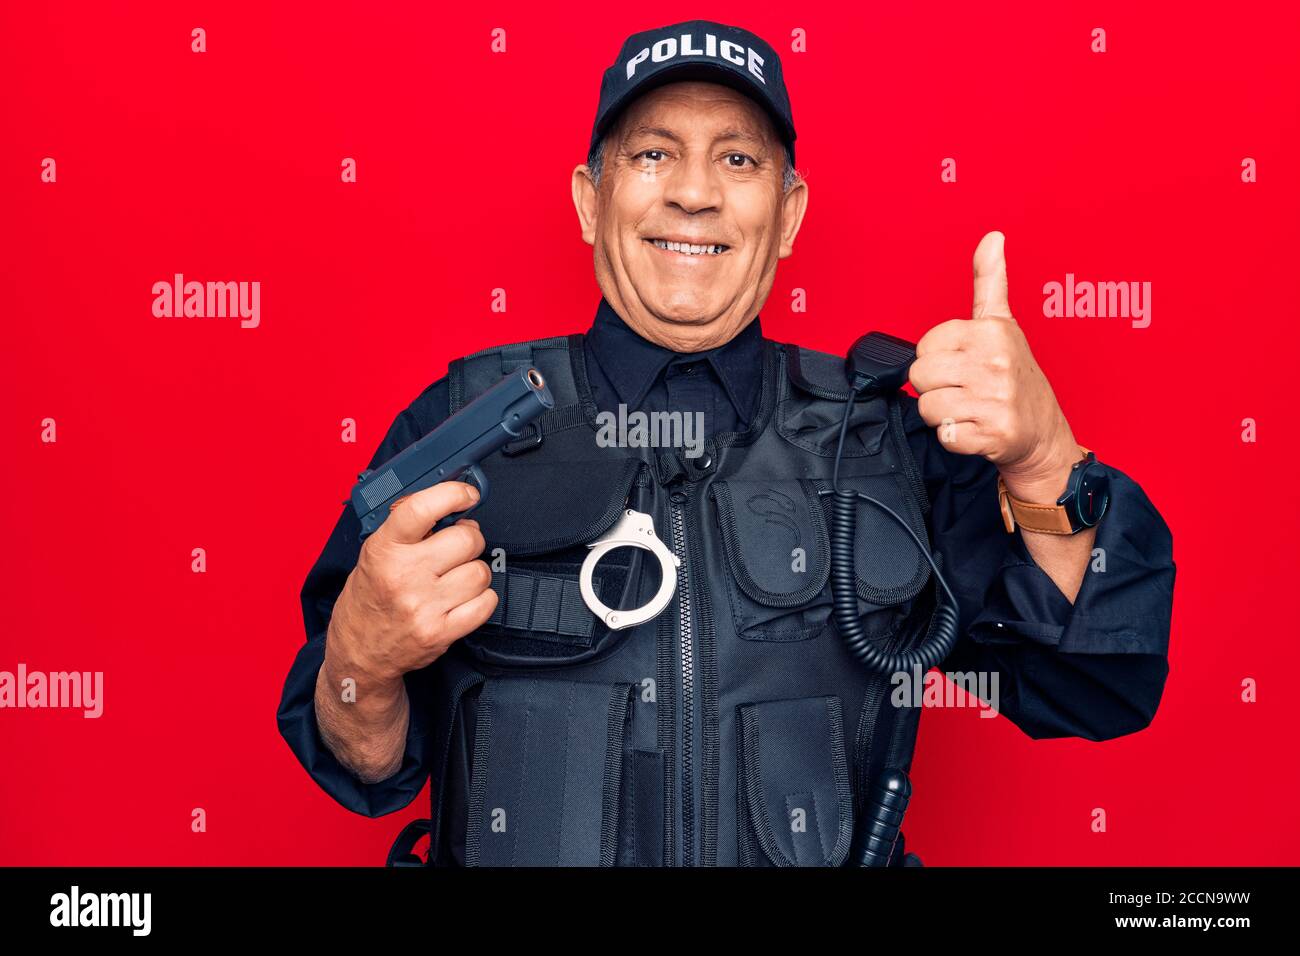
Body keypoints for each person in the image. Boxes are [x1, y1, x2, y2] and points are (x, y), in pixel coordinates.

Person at [277, 20, 1175, 867]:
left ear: (788, 215)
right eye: (654, 153)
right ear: (592, 201)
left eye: (736, 159)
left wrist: (1045, 458)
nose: (694, 192)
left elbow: (1092, 686)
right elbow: (361, 759)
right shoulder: (457, 429)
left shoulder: (885, 439)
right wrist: (359, 660)